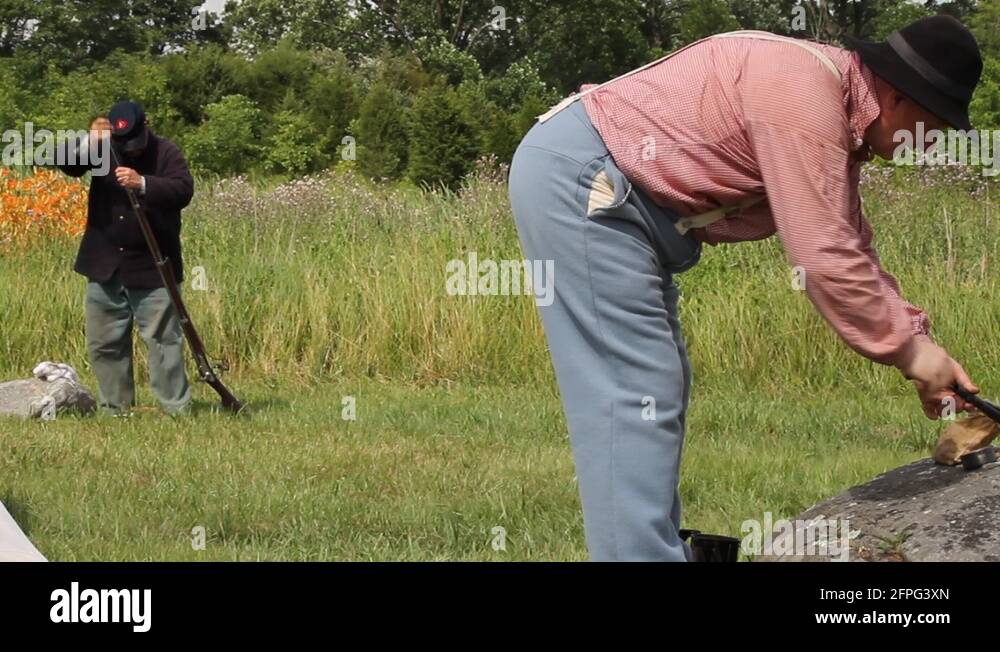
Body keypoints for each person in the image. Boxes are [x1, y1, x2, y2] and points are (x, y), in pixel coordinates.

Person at [508, 16, 984, 561]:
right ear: (899, 99)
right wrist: (911, 351)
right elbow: (823, 255)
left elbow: (851, 243)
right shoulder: (805, 97)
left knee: (656, 385)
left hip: (612, 188)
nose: (930, 144)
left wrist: (919, 346)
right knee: (633, 389)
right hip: (587, 177)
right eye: (934, 126)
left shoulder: (830, 100)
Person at [58, 100, 195, 415]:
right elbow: (65, 163)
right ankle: (114, 408)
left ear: (146, 125)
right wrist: (89, 140)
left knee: (163, 342)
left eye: (134, 142)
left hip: (153, 264)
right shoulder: (103, 148)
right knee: (104, 343)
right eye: (124, 144)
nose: (130, 150)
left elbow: (183, 190)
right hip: (104, 264)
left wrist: (143, 183)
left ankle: (176, 409)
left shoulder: (166, 152)